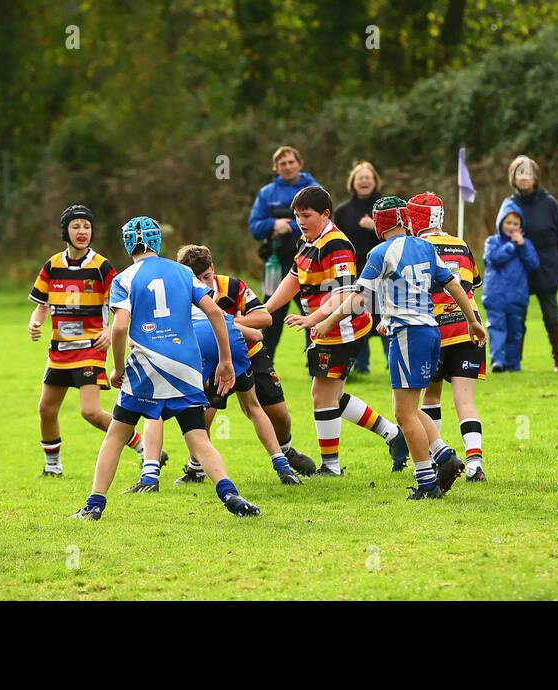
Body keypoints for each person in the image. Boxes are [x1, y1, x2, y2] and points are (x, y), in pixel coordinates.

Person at [296, 196, 487, 498]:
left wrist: (328, 321)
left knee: (404, 414)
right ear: (406, 220)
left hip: (406, 335)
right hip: (430, 331)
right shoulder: (425, 247)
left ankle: (427, 482)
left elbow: (359, 299)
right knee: (410, 407)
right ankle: (444, 456)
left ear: (379, 223)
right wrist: (473, 321)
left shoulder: (379, 253)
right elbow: (453, 284)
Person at [70, 217, 259, 519]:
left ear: (128, 243)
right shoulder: (184, 273)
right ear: (158, 242)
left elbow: (119, 328)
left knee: (117, 435)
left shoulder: (125, 278)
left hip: (145, 367)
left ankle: (94, 505)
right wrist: (225, 360)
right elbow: (215, 312)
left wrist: (118, 368)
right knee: (198, 438)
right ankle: (230, 495)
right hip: (186, 367)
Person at [264, 185, 409, 475]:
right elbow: (293, 279)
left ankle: (331, 466)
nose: (300, 221)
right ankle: (394, 435)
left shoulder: (336, 244)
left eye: (306, 215)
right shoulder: (307, 241)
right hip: (325, 327)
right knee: (332, 397)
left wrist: (312, 319)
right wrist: (265, 310)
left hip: (344, 328)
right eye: (296, 216)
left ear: (325, 214)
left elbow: (346, 294)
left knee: (322, 396)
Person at [148, 244, 310, 487]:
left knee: (278, 414)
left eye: (206, 277)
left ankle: (285, 449)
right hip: (211, 359)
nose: (202, 284)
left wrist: (221, 321)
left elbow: (264, 319)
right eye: (196, 279)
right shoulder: (179, 293)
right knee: (204, 416)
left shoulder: (232, 287)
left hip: (249, 354)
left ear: (213, 268)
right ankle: (197, 468)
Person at [27, 204, 143, 477]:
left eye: (87, 227)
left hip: (90, 349)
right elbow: (42, 305)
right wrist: (35, 321)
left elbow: (122, 308)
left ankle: (143, 448)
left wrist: (109, 330)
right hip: (59, 350)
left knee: (90, 412)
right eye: (76, 226)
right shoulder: (52, 265)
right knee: (46, 409)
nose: (82, 231)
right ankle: (52, 467)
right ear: (65, 231)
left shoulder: (102, 267)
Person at [406, 192, 489, 481]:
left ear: (414, 219)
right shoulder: (461, 244)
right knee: (465, 401)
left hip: (432, 331)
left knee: (430, 395)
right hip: (469, 327)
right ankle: (475, 462)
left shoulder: (415, 247)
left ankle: (436, 456)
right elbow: (473, 284)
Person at [247, 146, 320, 358]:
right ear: (276, 168)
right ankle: (264, 362)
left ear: (300, 163)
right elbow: (254, 226)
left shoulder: (313, 189)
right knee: (271, 314)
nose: (287, 167)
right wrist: (273, 224)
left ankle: (315, 360)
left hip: (309, 259)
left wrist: (292, 227)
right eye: (282, 164)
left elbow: (324, 221)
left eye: (290, 162)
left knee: (312, 310)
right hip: (276, 263)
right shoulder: (267, 193)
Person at [500, 155, 558, 371]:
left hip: (546, 267)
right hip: (518, 268)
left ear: (535, 177)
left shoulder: (549, 203)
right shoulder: (509, 204)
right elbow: (500, 233)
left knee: (551, 316)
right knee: (517, 316)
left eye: (528, 173)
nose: (524, 177)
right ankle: (515, 361)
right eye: (520, 173)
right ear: (513, 177)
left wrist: (547, 253)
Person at [332, 161, 386, 374]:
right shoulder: (343, 211)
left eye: (368, 177)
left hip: (383, 271)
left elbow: (400, 236)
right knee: (357, 315)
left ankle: (393, 361)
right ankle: (360, 365)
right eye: (360, 178)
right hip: (354, 272)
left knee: (384, 315)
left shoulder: (385, 207)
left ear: (375, 181)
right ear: (353, 183)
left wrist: (375, 227)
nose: (364, 181)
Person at [483, 199, 539, 373]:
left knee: (515, 332)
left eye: (515, 223)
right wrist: (511, 246)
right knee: (497, 329)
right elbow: (493, 259)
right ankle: (497, 361)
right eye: (508, 223)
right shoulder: (492, 242)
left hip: (517, 296)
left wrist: (521, 246)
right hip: (495, 296)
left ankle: (513, 364)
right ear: (501, 223)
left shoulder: (526, 244)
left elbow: (533, 264)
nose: (511, 227)